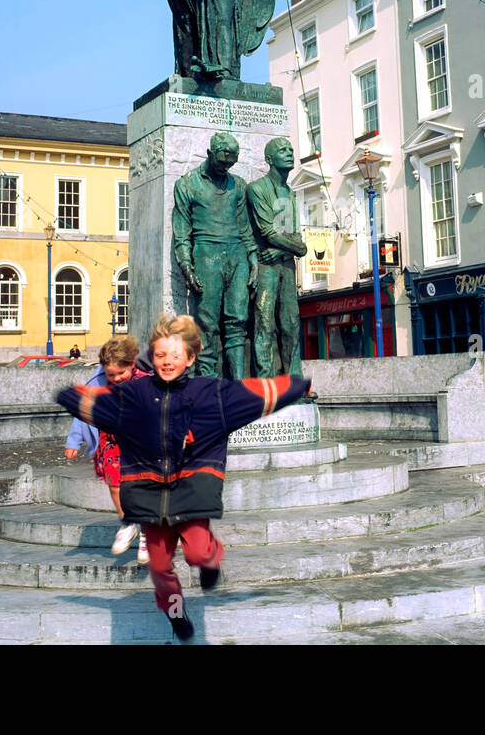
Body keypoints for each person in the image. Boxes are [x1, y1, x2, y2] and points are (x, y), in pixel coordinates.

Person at [55, 314, 311, 641]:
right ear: (151, 357)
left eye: (176, 355)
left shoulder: (210, 395)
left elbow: (255, 394)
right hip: (149, 495)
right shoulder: (135, 395)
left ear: (190, 358)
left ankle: (210, 562)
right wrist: (72, 399)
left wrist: (297, 386)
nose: (167, 361)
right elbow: (104, 405)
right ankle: (175, 610)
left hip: (191, 491)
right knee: (160, 569)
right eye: (160, 355)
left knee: (198, 552)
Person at [172, 132, 259, 378]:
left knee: (238, 321)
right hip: (206, 253)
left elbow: (244, 226)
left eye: (231, 162)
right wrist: (187, 265)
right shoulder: (187, 184)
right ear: (210, 154)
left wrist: (252, 258)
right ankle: (208, 382)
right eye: (222, 161)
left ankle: (238, 384)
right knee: (207, 323)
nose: (226, 167)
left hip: (237, 254)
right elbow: (182, 231)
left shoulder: (239, 185)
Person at [63, 337, 151, 563]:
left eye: (121, 373)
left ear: (132, 365)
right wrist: (74, 441)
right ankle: (129, 522)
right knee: (115, 486)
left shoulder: (147, 382)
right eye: (111, 374)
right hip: (110, 442)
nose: (116, 378)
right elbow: (82, 412)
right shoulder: (98, 383)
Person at [247, 137, 307, 376]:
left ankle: (293, 379)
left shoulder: (290, 194)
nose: (289, 153)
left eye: (291, 149)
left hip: (285, 264)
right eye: (283, 150)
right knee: (264, 323)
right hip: (265, 267)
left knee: (291, 324)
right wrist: (293, 247)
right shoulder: (257, 189)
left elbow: (298, 240)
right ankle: (265, 381)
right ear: (269, 159)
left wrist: (285, 249)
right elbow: (267, 231)